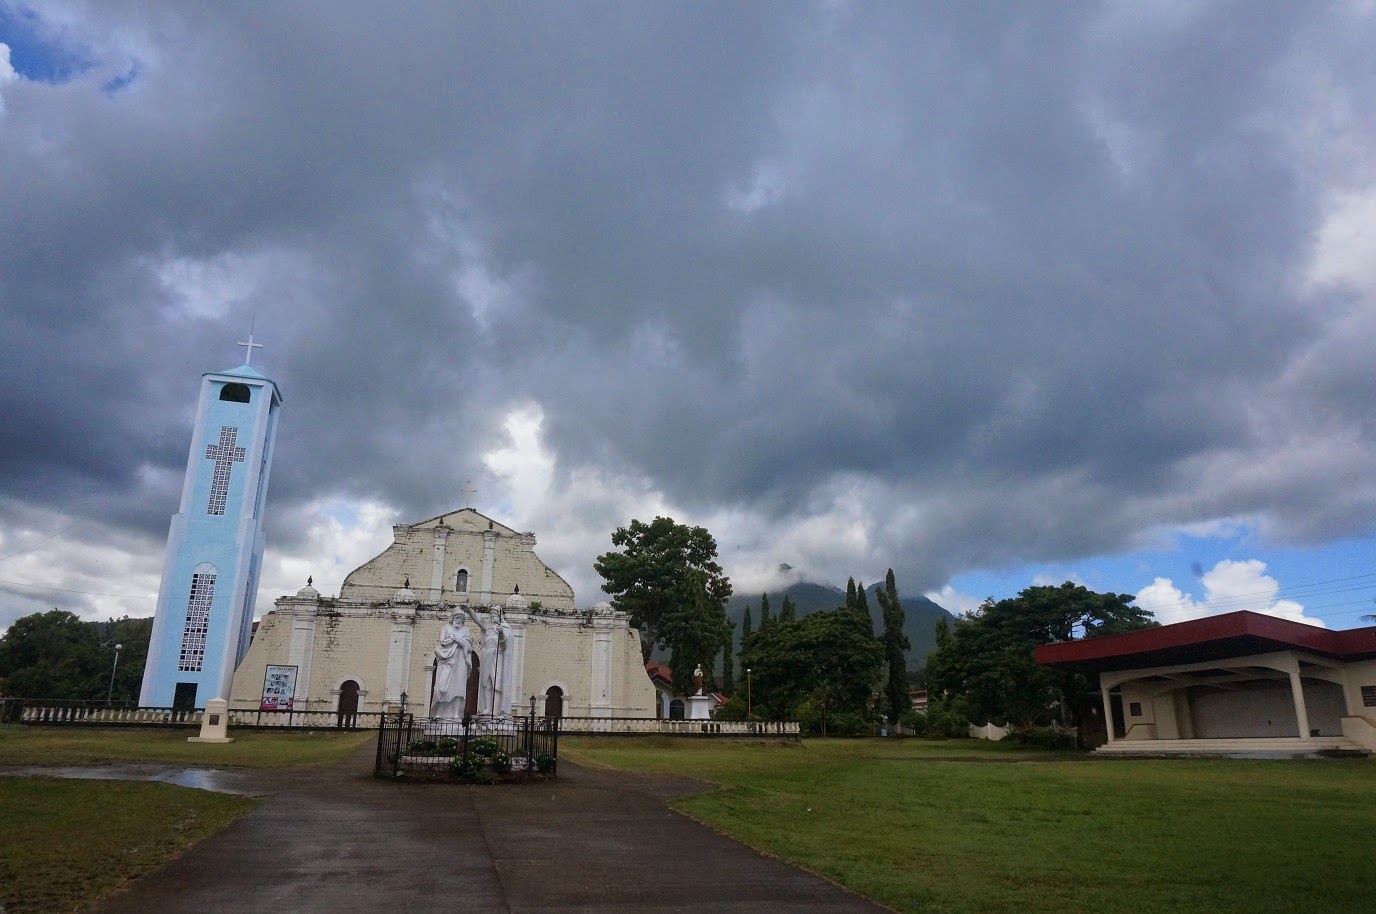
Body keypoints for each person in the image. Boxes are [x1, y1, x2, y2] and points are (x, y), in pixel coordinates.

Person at [466, 606, 512, 717]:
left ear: (500, 615)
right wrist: (469, 610)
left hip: (498, 657)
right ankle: (487, 708)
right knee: (486, 683)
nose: (492, 616)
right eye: (491, 614)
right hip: (487, 657)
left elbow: (504, 645)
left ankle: (496, 710)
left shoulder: (504, 628)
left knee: (496, 683)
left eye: (495, 613)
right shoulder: (488, 628)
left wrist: (501, 634)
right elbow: (478, 621)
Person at [430, 611, 472, 720]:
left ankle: (456, 714)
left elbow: (469, 646)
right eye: (457, 617)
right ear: (452, 618)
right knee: (443, 688)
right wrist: (459, 641)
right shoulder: (446, 628)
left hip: (460, 661)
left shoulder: (466, 630)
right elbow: (443, 642)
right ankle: (439, 713)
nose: (459, 620)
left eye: (461, 618)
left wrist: (455, 639)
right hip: (447, 660)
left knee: (458, 689)